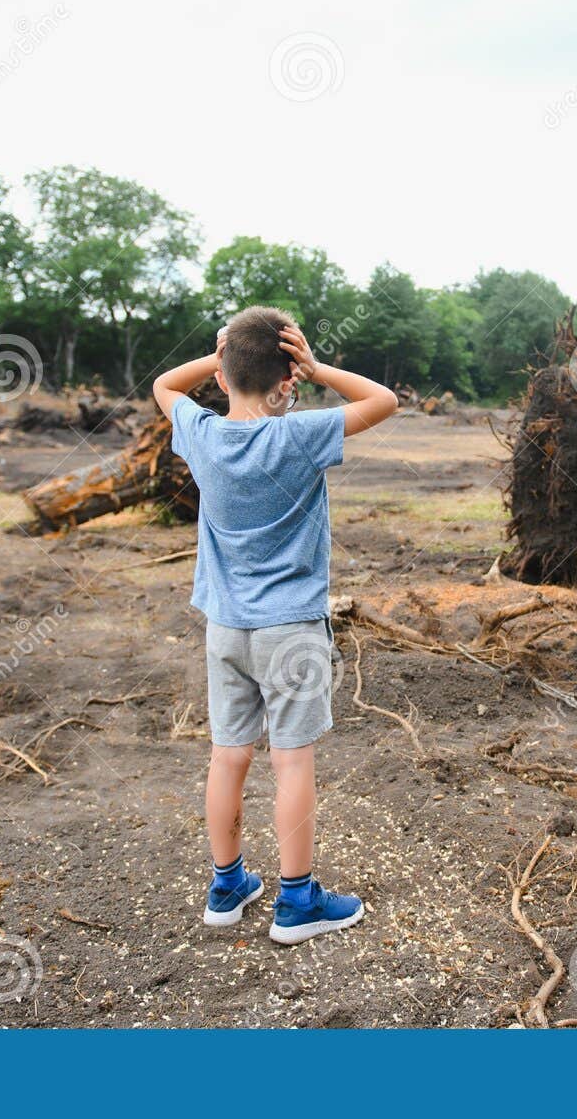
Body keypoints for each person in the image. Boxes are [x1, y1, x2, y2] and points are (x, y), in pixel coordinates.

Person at [152, 306, 398, 943]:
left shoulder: (203, 433)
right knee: (293, 763)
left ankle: (227, 885)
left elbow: (164, 387)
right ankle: (296, 903)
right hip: (291, 629)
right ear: (288, 380)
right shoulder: (300, 435)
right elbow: (384, 400)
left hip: (226, 629)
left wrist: (221, 356)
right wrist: (316, 367)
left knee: (228, 756)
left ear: (226, 373)